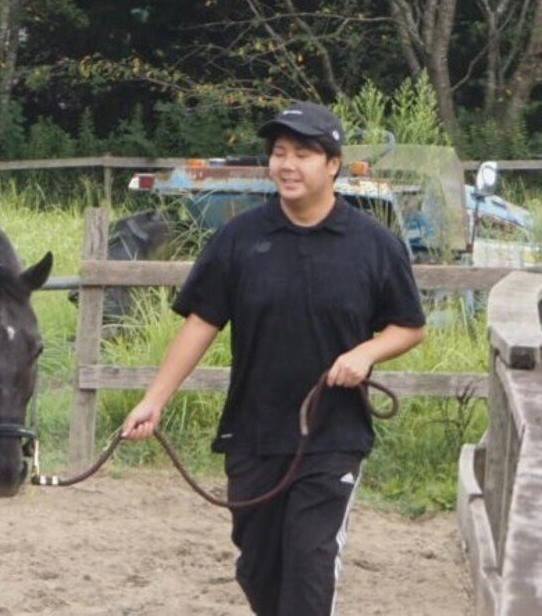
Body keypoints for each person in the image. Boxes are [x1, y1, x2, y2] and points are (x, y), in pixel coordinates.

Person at [120, 102, 425, 615]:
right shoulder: (239, 239)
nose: (287, 164)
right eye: (279, 153)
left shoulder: (374, 245)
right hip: (254, 436)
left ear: (332, 164)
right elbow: (201, 323)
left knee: (308, 575)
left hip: (333, 438)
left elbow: (409, 327)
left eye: (303, 153)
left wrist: (366, 353)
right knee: (259, 572)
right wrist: (155, 400)